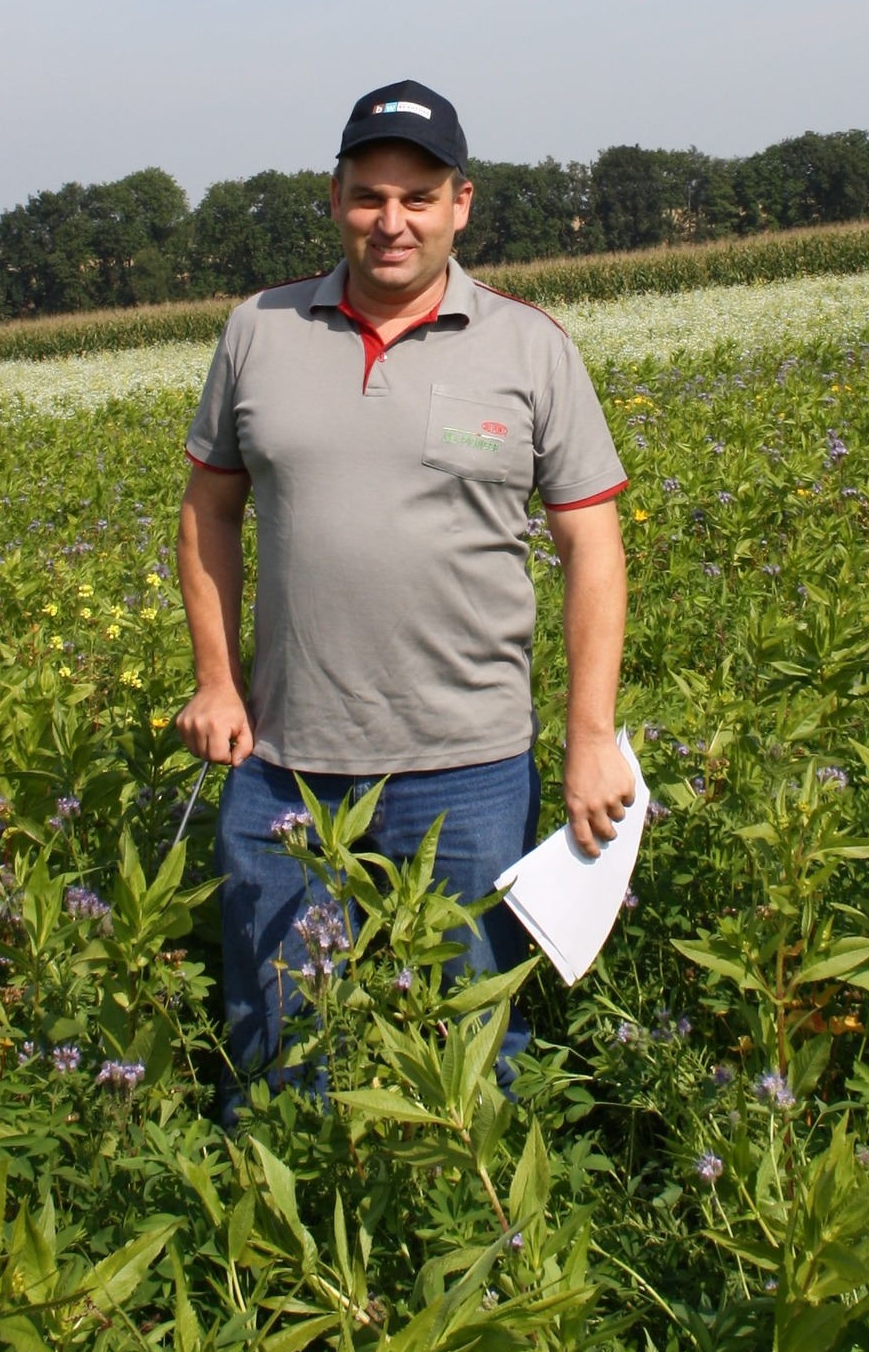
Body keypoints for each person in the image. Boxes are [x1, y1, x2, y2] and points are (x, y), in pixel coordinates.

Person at [175, 78, 633, 1116]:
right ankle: (273, 1246)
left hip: (468, 764)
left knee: (475, 1043)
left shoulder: (530, 348)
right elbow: (207, 510)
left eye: (417, 197)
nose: (392, 221)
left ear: (459, 204)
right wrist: (215, 680)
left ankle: (478, 1249)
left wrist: (589, 734)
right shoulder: (258, 330)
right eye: (369, 195)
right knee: (280, 1037)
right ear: (333, 197)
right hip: (286, 764)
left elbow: (590, 545)